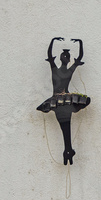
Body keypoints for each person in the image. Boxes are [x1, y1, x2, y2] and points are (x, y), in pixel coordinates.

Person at [37, 37, 90, 165]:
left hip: (58, 103)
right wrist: (80, 43)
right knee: (66, 128)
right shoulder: (67, 69)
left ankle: (68, 150)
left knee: (65, 128)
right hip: (65, 103)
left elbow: (49, 55)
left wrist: (54, 41)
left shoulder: (55, 68)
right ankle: (68, 150)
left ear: (60, 58)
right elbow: (78, 56)